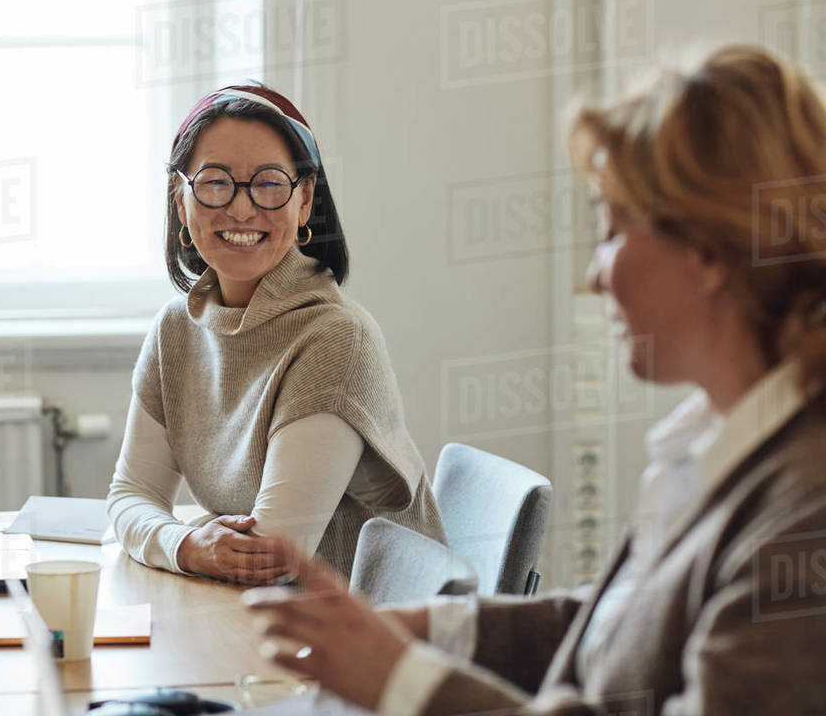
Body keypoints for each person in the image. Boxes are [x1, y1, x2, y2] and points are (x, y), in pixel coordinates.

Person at [244, 45, 826, 714]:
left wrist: (402, 679)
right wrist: (429, 632)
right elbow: (628, 626)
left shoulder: (807, 511)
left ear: (709, 248)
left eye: (613, 231)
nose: (596, 275)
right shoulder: (716, 441)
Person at [107, 84, 445, 584]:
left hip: (363, 638)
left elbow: (270, 558)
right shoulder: (174, 331)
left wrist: (176, 537)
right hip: (259, 621)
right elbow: (130, 495)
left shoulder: (335, 339)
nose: (242, 210)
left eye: (268, 183)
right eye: (215, 182)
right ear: (181, 201)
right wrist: (186, 542)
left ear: (305, 199)